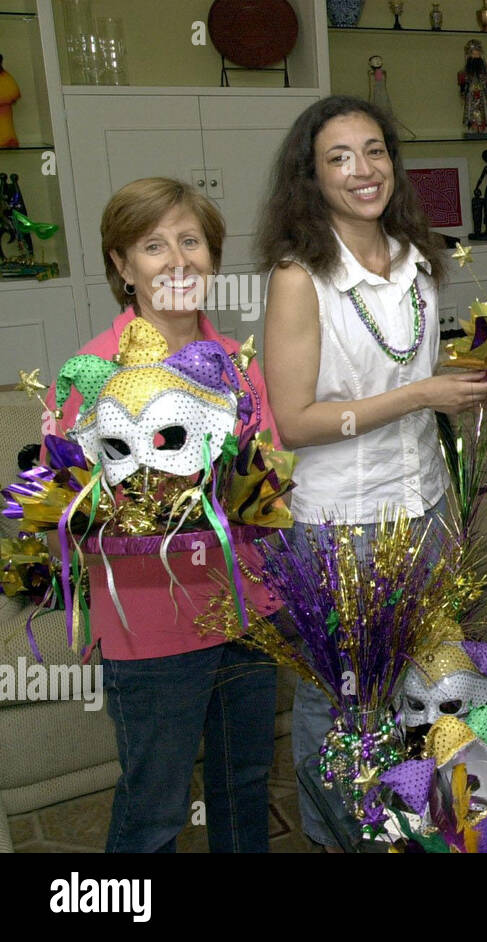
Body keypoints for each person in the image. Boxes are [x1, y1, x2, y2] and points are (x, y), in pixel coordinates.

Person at [257, 95, 487, 848]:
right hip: (340, 524)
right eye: (339, 157)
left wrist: (473, 375)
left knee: (415, 688)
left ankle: (395, 828)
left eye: (374, 151)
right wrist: (421, 396)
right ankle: (338, 839)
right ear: (312, 175)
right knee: (338, 702)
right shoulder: (301, 278)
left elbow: (413, 372)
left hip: (422, 507)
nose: (363, 170)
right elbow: (294, 419)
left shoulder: (418, 260)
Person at [48, 177, 280, 852]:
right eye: (154, 245)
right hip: (150, 626)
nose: (177, 260)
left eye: (191, 241)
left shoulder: (239, 363)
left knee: (245, 786)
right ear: (122, 266)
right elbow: (76, 510)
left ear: (212, 256)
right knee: (155, 809)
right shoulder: (94, 371)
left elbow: (271, 481)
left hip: (246, 609)